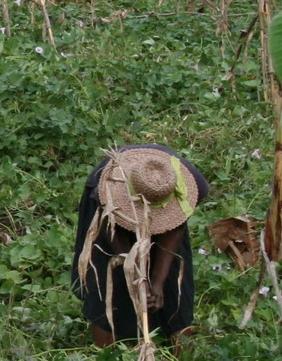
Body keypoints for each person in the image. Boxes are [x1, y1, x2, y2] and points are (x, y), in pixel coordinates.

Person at [72, 145, 208, 346]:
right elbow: (114, 234)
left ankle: (182, 357)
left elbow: (175, 229)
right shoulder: (108, 185)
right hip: (110, 215)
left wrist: (158, 282)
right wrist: (135, 276)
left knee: (175, 285)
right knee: (108, 276)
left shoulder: (189, 184)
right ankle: (106, 357)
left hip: (161, 197)